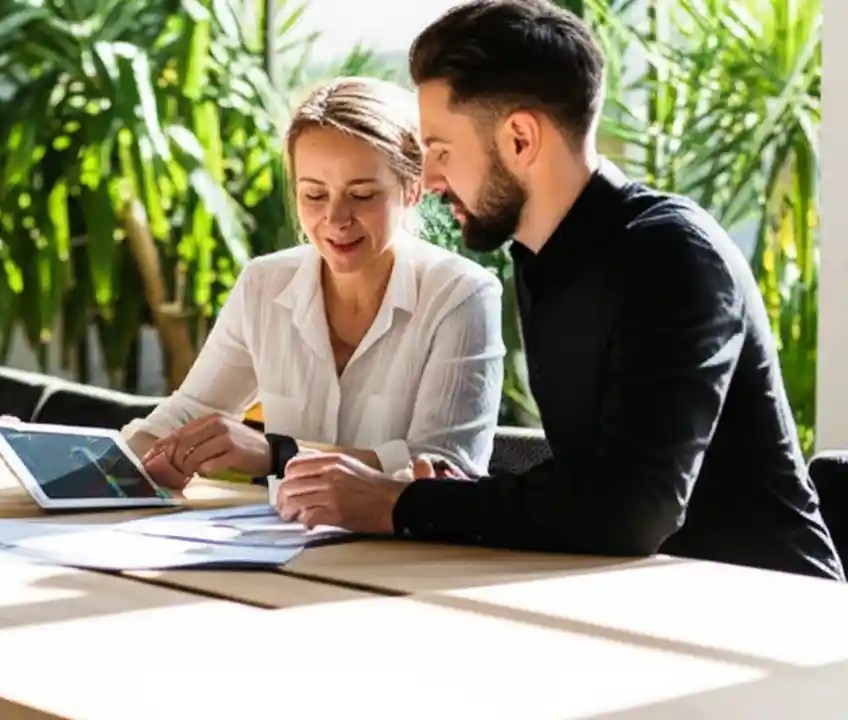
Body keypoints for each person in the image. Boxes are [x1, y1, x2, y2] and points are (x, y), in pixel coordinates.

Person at [275, 0, 845, 582]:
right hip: (638, 597)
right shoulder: (539, 258)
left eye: (441, 150)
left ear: (520, 138)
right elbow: (589, 485)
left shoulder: (672, 256)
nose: (432, 178)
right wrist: (453, 498)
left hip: (775, 618)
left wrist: (398, 504)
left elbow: (630, 510)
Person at [122, 76, 505, 490]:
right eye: (314, 195)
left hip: (403, 550)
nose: (336, 219)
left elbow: (444, 468)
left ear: (411, 190)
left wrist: (277, 454)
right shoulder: (263, 285)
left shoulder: (461, 295)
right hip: (276, 545)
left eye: (361, 195)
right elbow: (186, 415)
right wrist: (99, 469)